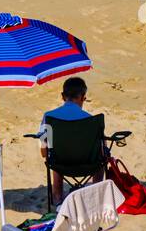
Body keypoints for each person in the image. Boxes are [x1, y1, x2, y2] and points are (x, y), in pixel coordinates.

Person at [39, 75, 102, 206]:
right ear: (83, 97)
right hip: (89, 165)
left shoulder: (49, 116)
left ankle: (57, 198)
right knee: (101, 157)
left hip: (61, 165)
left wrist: (48, 154)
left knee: (54, 155)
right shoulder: (92, 120)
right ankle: (96, 197)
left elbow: (43, 150)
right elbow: (101, 148)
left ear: (62, 96)